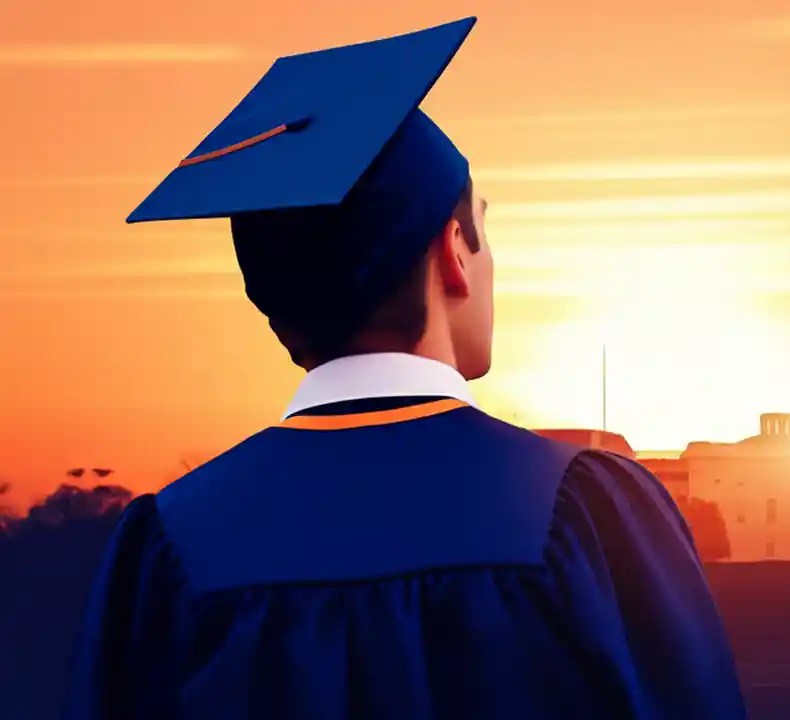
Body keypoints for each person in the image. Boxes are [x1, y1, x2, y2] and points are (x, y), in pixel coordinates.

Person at [64, 17, 745, 720]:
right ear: (454, 252)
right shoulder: (585, 513)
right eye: (483, 227)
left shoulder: (169, 546)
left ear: (273, 301)